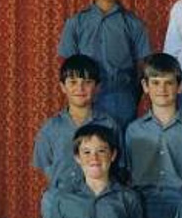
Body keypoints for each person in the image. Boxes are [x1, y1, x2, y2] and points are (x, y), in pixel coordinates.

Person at [58, 0, 151, 130]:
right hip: (84, 99)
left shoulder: (133, 24)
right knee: (88, 154)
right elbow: (66, 67)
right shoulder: (76, 23)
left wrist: (130, 98)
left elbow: (143, 69)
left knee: (119, 153)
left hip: (121, 100)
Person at [123, 52, 182, 218]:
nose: (162, 89)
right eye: (155, 82)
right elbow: (128, 172)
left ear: (181, 86)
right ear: (145, 86)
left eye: (169, 82)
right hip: (142, 205)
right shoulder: (133, 130)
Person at [32, 54, 119, 188]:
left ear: (97, 87)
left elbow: (118, 164)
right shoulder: (50, 128)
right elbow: (45, 165)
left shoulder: (109, 124)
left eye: (87, 82)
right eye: (73, 82)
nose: (80, 88)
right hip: (62, 197)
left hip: (98, 198)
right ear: (62, 87)